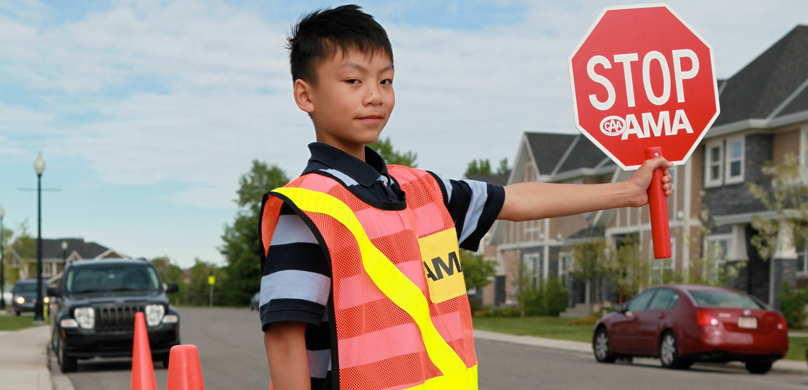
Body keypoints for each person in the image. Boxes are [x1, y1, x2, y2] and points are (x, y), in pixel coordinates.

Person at [258, 5, 673, 390]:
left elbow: (517, 199)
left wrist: (628, 191)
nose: (375, 96)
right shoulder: (308, 210)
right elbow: (284, 337)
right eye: (354, 81)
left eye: (386, 80)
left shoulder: (422, 191)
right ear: (305, 95)